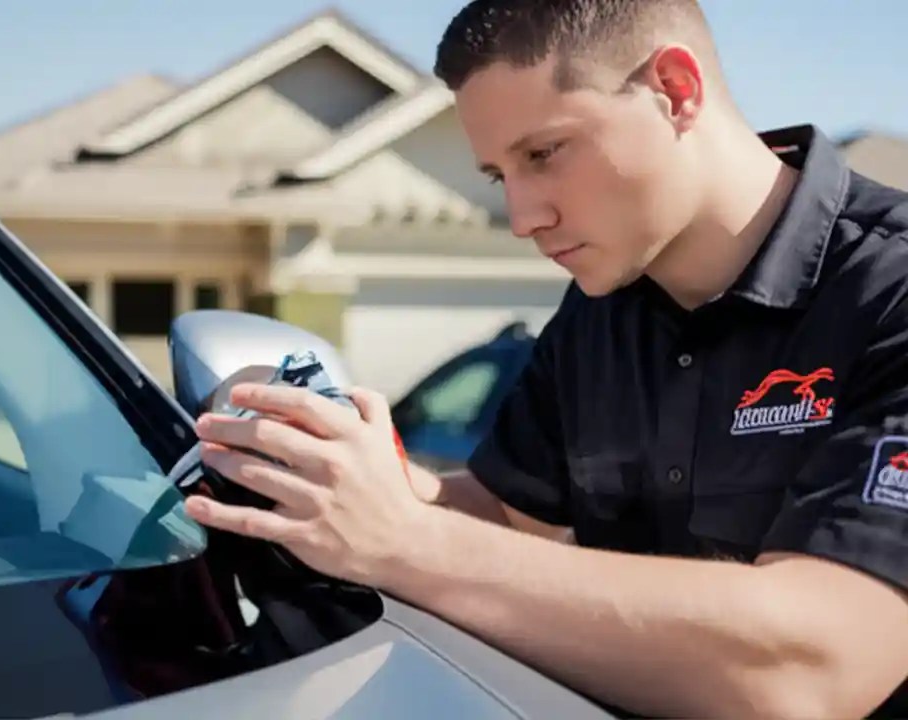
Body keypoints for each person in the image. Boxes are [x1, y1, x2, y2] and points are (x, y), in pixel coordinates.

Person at [182, 0, 908, 716]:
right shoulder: (602, 307)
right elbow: (504, 512)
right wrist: (324, 458)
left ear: (675, 92)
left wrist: (407, 542)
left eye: (544, 153)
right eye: (502, 176)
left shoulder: (891, 291)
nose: (524, 216)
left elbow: (816, 668)